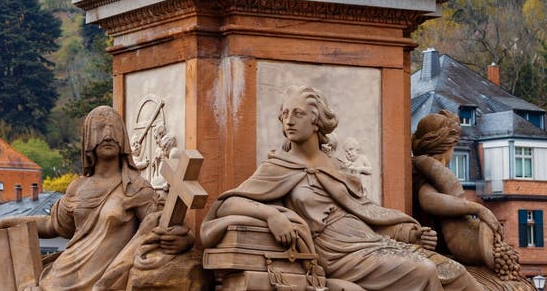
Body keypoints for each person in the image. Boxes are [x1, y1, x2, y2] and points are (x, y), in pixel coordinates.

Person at [201, 86, 481, 290]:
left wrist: (406, 232)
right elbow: (227, 203)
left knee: (455, 273)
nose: (288, 120)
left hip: (370, 241)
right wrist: (271, 216)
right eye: (285, 113)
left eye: (298, 113)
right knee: (423, 270)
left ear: (316, 121)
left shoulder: (334, 165)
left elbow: (364, 210)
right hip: (337, 252)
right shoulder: (278, 166)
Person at [0, 106, 192, 291]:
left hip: (103, 280)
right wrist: (7, 222)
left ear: (123, 138)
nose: (108, 135)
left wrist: (185, 240)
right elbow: (51, 225)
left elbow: (157, 228)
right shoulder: (78, 188)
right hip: (60, 278)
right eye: (100, 129)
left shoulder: (135, 187)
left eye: (114, 128)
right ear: (89, 139)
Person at [412, 110, 533, 290]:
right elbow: (428, 200)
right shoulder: (426, 172)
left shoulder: (433, 171)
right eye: (453, 146)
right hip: (439, 250)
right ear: (446, 147)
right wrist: (478, 209)